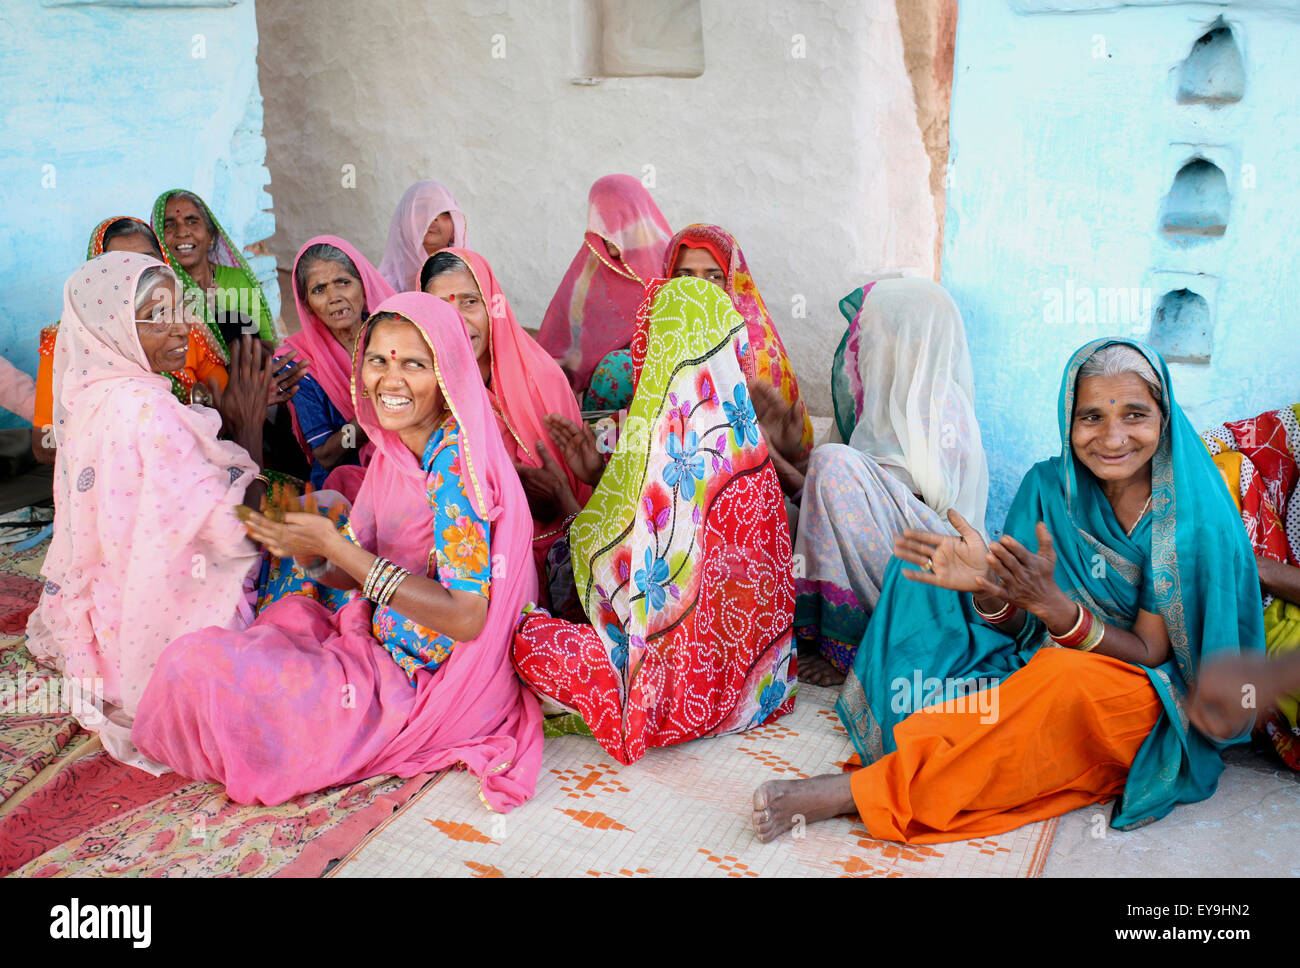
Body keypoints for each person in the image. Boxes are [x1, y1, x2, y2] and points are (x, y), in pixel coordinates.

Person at [752, 339, 1264, 844]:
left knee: (1065, 678)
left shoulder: (1189, 518)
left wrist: (1061, 613)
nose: (1112, 437)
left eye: (1134, 415)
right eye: (1091, 417)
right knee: (921, 580)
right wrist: (986, 590)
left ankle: (859, 791)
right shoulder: (1046, 486)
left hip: (1138, 690)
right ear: (1069, 420)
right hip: (1042, 656)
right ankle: (942, 740)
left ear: (1164, 419)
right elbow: (1023, 626)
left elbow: (1151, 652)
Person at [133, 293, 543, 811]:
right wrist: (310, 553)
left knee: (219, 685)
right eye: (378, 361)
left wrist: (334, 548)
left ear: (446, 375)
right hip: (371, 638)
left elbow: (465, 618)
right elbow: (353, 575)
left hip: (419, 678)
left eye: (414, 364)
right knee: (196, 662)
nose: (390, 381)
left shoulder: (455, 468)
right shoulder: (398, 449)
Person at [512, 277, 798, 765]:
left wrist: (564, 500)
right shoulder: (752, 454)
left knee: (526, 639)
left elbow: (619, 575)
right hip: (759, 685)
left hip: (670, 690)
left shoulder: (664, 445)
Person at [24, 252, 275, 770]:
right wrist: (251, 445)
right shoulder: (149, 410)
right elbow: (228, 534)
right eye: (157, 317)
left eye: (180, 308)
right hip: (165, 622)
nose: (182, 327)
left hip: (115, 620)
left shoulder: (89, 395)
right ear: (112, 326)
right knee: (325, 528)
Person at [792, 280, 989, 686]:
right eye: (871, 332)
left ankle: (852, 645)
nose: (868, 344)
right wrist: (774, 457)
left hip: (936, 567)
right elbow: (830, 499)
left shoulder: (943, 408)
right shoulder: (873, 406)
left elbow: (929, 508)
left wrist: (845, 477)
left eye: (885, 332)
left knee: (832, 462)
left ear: (923, 341)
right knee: (779, 501)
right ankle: (820, 632)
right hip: (893, 546)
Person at [421, 249, 590, 574]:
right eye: (441, 307)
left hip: (551, 544)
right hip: (464, 540)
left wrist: (524, 489)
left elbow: (567, 495)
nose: (457, 319)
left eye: (470, 302)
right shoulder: (427, 382)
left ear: (492, 306)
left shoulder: (541, 379)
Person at [31, 216, 229, 463]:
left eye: (147, 260)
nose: (135, 273)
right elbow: (45, 443)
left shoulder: (186, 327)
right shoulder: (66, 342)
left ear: (164, 263)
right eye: (119, 265)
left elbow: (225, 400)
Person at [1201, 403, 1300, 768]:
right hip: (1273, 590)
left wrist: (1263, 570)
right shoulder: (1293, 425)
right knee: (1218, 471)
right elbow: (1218, 442)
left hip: (1277, 583)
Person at [664, 224, 813, 461]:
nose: (699, 287)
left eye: (714, 276)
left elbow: (777, 446)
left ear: (731, 280)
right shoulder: (661, 338)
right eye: (685, 275)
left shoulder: (756, 349)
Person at [538, 174, 672, 398]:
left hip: (655, 396)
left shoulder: (671, 268)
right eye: (603, 218)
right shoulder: (586, 271)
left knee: (618, 368)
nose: (610, 230)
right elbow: (560, 346)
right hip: (589, 404)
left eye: (620, 218)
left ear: (637, 216)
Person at [284, 236, 395, 493]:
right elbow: (325, 453)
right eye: (319, 290)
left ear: (363, 286)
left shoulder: (394, 334)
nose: (334, 297)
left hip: (405, 467)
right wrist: (369, 419)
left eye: (343, 282)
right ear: (307, 305)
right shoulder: (300, 362)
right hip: (345, 485)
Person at [152, 189, 277, 351]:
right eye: (169, 225)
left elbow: (267, 345)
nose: (182, 232)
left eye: (192, 222)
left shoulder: (236, 280)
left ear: (210, 235)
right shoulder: (158, 290)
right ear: (160, 237)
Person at [378, 179, 467, 293]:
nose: (432, 216)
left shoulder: (470, 281)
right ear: (403, 222)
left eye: (444, 211)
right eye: (422, 208)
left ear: (455, 230)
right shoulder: (381, 290)